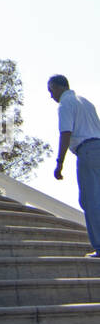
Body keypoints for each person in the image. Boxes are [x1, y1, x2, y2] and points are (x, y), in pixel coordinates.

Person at [49, 75, 100, 259]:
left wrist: (59, 163)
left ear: (59, 87)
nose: (51, 95)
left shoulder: (65, 104)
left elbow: (66, 133)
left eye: (51, 90)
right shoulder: (85, 102)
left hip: (87, 151)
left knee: (90, 200)